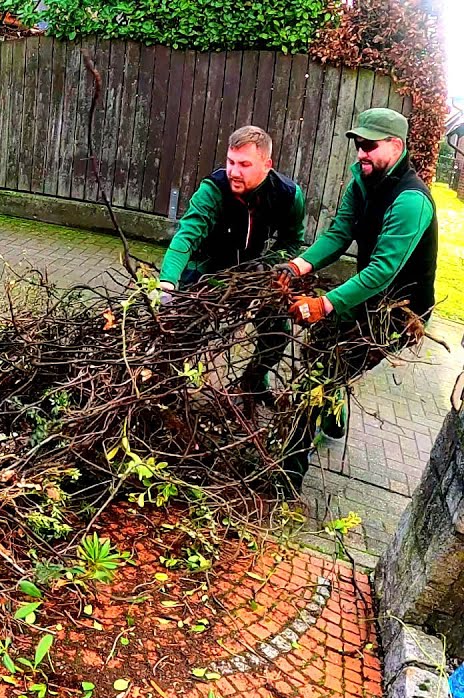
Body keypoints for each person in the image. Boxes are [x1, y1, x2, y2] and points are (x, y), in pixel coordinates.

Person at [276, 108, 438, 483]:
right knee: (321, 350)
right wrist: (296, 267)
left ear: (396, 146)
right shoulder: (362, 182)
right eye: (358, 145)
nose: (361, 154)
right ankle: (334, 420)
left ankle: (286, 474)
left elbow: (383, 270)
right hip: (367, 296)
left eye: (370, 146)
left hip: (399, 313)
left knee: (323, 375)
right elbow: (338, 234)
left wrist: (324, 303)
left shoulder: (411, 201)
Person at [157, 125, 307, 398]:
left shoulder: (288, 194)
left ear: (267, 164)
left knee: (277, 333)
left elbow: (293, 241)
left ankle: (252, 385)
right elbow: (186, 237)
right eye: (231, 162)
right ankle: (167, 388)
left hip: (254, 272)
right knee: (180, 330)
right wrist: (167, 282)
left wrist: (271, 266)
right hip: (207, 269)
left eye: (245, 164)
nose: (234, 171)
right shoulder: (213, 189)